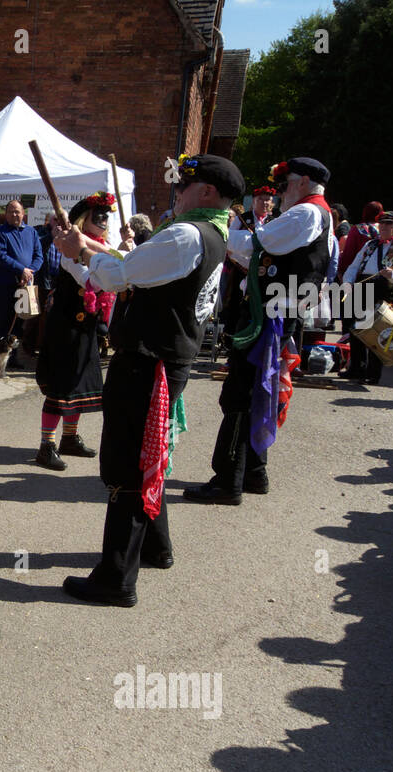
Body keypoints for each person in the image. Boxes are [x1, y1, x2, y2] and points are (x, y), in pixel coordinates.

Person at [53, 155, 240, 607]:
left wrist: (79, 253)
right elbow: (134, 262)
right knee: (151, 454)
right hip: (165, 360)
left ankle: (116, 578)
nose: (177, 193)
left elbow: (119, 277)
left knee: (128, 465)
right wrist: (87, 247)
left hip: (148, 362)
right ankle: (156, 547)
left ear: (208, 193)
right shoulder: (213, 232)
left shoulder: (185, 234)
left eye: (185, 186)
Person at [186, 157, 332, 506]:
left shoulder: (307, 212)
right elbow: (263, 257)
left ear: (303, 181)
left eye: (285, 185)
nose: (280, 193)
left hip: (270, 317)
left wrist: (212, 228)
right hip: (274, 312)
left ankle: (227, 480)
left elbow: (259, 244)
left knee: (241, 395)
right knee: (255, 392)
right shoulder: (311, 213)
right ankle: (253, 473)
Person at [33, 192, 118, 471]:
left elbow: (115, 267)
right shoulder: (69, 251)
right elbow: (92, 279)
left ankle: (69, 438)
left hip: (86, 325)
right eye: (99, 216)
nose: (104, 220)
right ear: (84, 219)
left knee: (79, 382)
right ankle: (47, 446)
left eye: (107, 216)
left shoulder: (101, 247)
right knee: (61, 385)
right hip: (65, 326)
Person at [340, 210, 393, 384]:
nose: (385, 227)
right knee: (355, 329)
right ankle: (356, 368)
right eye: (382, 224)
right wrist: (348, 282)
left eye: (389, 224)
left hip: (384, 289)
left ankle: (373, 374)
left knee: (375, 331)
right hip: (362, 286)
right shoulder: (371, 244)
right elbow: (354, 266)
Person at [0, 200, 44, 362]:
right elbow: (1, 256)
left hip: (25, 285)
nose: (14, 214)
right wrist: (21, 270)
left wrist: (29, 272)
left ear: (23, 213)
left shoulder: (31, 232)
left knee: (22, 321)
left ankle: (13, 357)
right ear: (6, 214)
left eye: (17, 211)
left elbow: (38, 256)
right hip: (6, 284)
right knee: (5, 320)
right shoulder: (0, 232)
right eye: (11, 211)